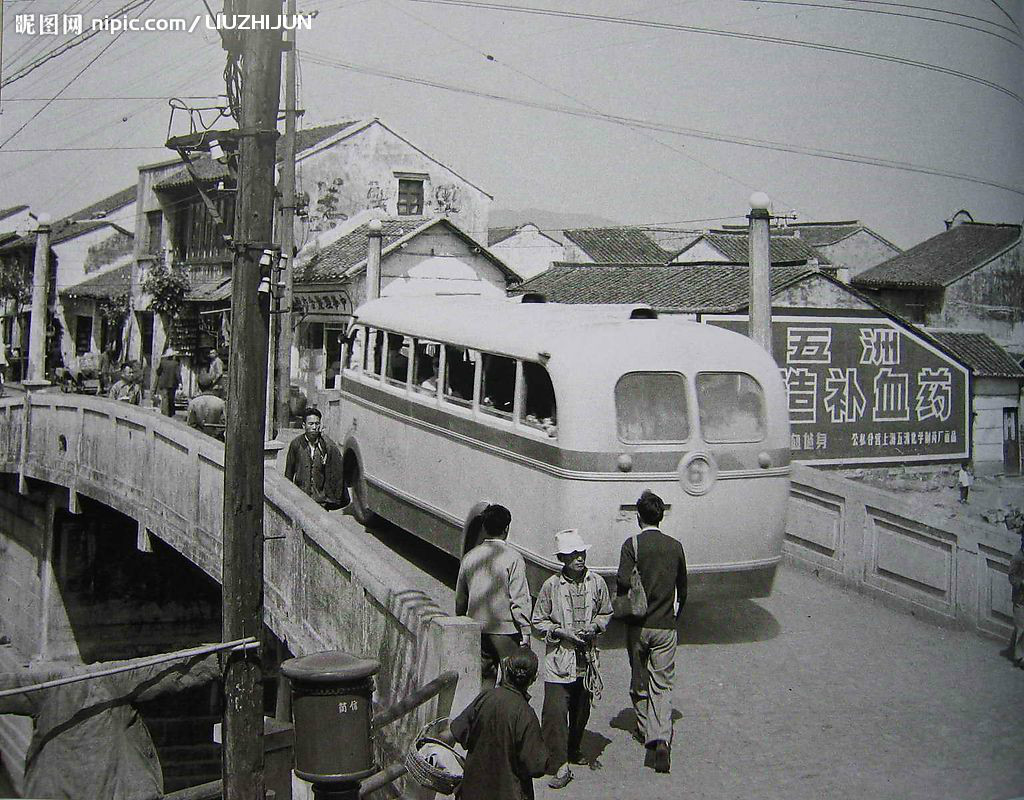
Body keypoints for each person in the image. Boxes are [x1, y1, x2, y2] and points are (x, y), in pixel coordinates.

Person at [0, 651, 220, 800]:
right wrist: (218, 658)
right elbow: (167, 672)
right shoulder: (109, 681)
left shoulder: (46, 689)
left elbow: (9, 687)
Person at [532, 529, 612, 789]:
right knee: (555, 714)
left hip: (586, 662)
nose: (579, 558)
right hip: (559, 660)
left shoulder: (597, 583)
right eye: (573, 554)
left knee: (581, 711)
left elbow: (605, 612)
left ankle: (572, 749)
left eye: (581, 553)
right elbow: (538, 622)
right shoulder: (551, 586)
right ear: (562, 559)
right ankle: (560, 765)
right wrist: (559, 631)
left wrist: (595, 628)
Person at [616, 489, 687, 774]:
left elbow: (622, 580)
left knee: (639, 679)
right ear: (661, 516)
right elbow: (684, 589)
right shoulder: (675, 546)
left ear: (638, 517)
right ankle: (661, 738)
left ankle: (646, 731)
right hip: (665, 626)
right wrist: (673, 616)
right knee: (662, 683)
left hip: (638, 627)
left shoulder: (631, 544)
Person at [450, 646, 552, 800]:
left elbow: (457, 731)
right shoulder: (526, 715)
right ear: (534, 678)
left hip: (472, 792)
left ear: (506, 669)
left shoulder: (485, 697)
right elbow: (536, 766)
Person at [455, 503, 532, 689]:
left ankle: (485, 714)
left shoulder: (471, 557)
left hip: (478, 629)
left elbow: (461, 599)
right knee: (513, 684)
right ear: (507, 528)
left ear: (484, 527)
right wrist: (526, 632)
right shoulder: (514, 558)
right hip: (506, 632)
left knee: (484, 682)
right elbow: (519, 599)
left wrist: (462, 622)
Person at [283, 407, 347, 509]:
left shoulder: (326, 446)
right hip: (300, 499)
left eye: (317, 424)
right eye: (311, 424)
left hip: (320, 501)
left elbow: (335, 472)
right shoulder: (296, 444)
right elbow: (289, 473)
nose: (314, 427)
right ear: (304, 425)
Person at [186, 372, 226, 439]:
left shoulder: (193, 403)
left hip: (199, 439)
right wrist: (215, 435)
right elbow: (223, 423)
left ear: (199, 386)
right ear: (211, 386)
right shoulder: (220, 403)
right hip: (217, 439)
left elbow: (191, 424)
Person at [1008, 528, 1024, 668]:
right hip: (1020, 599)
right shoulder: (1018, 557)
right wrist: (1021, 583)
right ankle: (1019, 658)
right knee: (1021, 627)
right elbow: (1012, 577)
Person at [154, 347, 181, 418]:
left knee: (165, 398)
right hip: (172, 384)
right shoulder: (175, 364)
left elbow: (158, 372)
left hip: (164, 383)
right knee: (171, 399)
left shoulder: (162, 363)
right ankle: (171, 413)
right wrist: (180, 383)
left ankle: (165, 413)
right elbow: (177, 374)